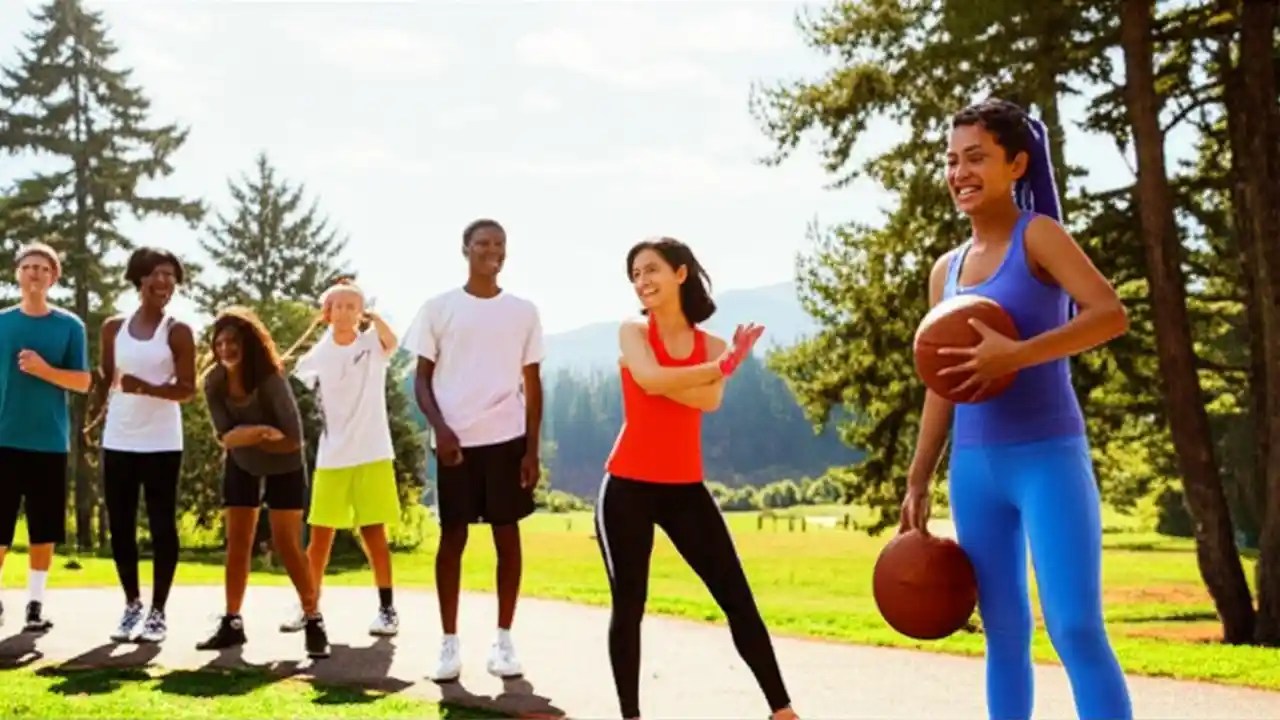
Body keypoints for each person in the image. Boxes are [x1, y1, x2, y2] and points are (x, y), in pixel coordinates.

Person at [897, 98, 1133, 719]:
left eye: (976, 157)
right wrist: (919, 474)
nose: (959, 172)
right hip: (974, 471)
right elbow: (939, 382)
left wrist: (1019, 355)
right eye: (951, 160)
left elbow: (1110, 314)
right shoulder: (944, 271)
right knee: (1003, 635)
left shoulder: (1042, 237)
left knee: (1076, 627)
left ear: (1016, 163)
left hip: (1048, 457)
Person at [597, 237, 798, 720]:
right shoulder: (633, 332)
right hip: (626, 486)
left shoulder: (709, 343)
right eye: (636, 275)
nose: (642, 281)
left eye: (651, 270)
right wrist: (719, 368)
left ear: (680, 273)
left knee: (737, 597)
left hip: (685, 488)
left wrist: (695, 374)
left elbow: (707, 401)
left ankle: (782, 710)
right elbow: (649, 380)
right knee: (629, 606)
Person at [403, 218, 543, 682]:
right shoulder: (438, 308)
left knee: (508, 536)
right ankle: (448, 645)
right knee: (453, 538)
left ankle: (504, 641)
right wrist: (440, 429)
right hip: (455, 443)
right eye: (483, 243)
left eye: (500, 244)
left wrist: (531, 450)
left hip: (507, 439)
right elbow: (420, 379)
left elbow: (532, 382)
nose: (493, 251)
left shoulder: (523, 311)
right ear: (465, 248)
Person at [197, 306, 329, 659]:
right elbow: (224, 437)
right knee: (238, 543)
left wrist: (247, 435)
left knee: (287, 544)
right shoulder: (213, 381)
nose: (225, 349)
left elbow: (293, 439)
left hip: (285, 465)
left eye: (233, 342)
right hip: (242, 464)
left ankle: (314, 619)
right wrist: (258, 432)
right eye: (219, 342)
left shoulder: (270, 379)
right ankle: (232, 622)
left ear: (249, 344)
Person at [279, 279, 402, 637]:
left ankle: (387, 609)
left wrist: (375, 317)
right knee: (319, 539)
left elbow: (392, 342)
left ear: (361, 312)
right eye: (339, 306)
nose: (346, 312)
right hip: (333, 457)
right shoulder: (318, 353)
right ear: (327, 313)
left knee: (374, 534)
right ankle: (308, 605)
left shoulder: (372, 344)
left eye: (353, 306)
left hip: (373, 452)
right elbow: (292, 370)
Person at [96, 247, 197, 644]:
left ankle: (158, 612)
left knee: (161, 527)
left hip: (161, 442)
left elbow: (187, 390)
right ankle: (132, 605)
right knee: (120, 526)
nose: (165, 282)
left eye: (171, 276)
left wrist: (148, 389)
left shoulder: (178, 331)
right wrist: (91, 421)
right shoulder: (112, 328)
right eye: (157, 274)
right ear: (139, 278)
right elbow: (107, 378)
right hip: (118, 437)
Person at [0, 241, 91, 632]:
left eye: (43, 268)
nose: (35, 273)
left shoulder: (70, 327)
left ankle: (35, 606)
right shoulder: (2, 323)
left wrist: (43, 369)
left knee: (44, 527)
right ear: (17, 274)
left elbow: (84, 381)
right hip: (3, 439)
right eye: (28, 267)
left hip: (49, 443)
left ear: (53, 278)